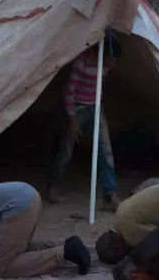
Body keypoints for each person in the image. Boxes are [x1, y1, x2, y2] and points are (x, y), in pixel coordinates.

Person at [47, 34, 120, 209]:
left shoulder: (106, 65)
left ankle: (110, 195)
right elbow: (69, 90)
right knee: (66, 148)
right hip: (77, 107)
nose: (113, 64)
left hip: (95, 107)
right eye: (112, 59)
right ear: (102, 55)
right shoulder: (83, 62)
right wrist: (72, 119)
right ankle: (53, 186)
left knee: (105, 149)